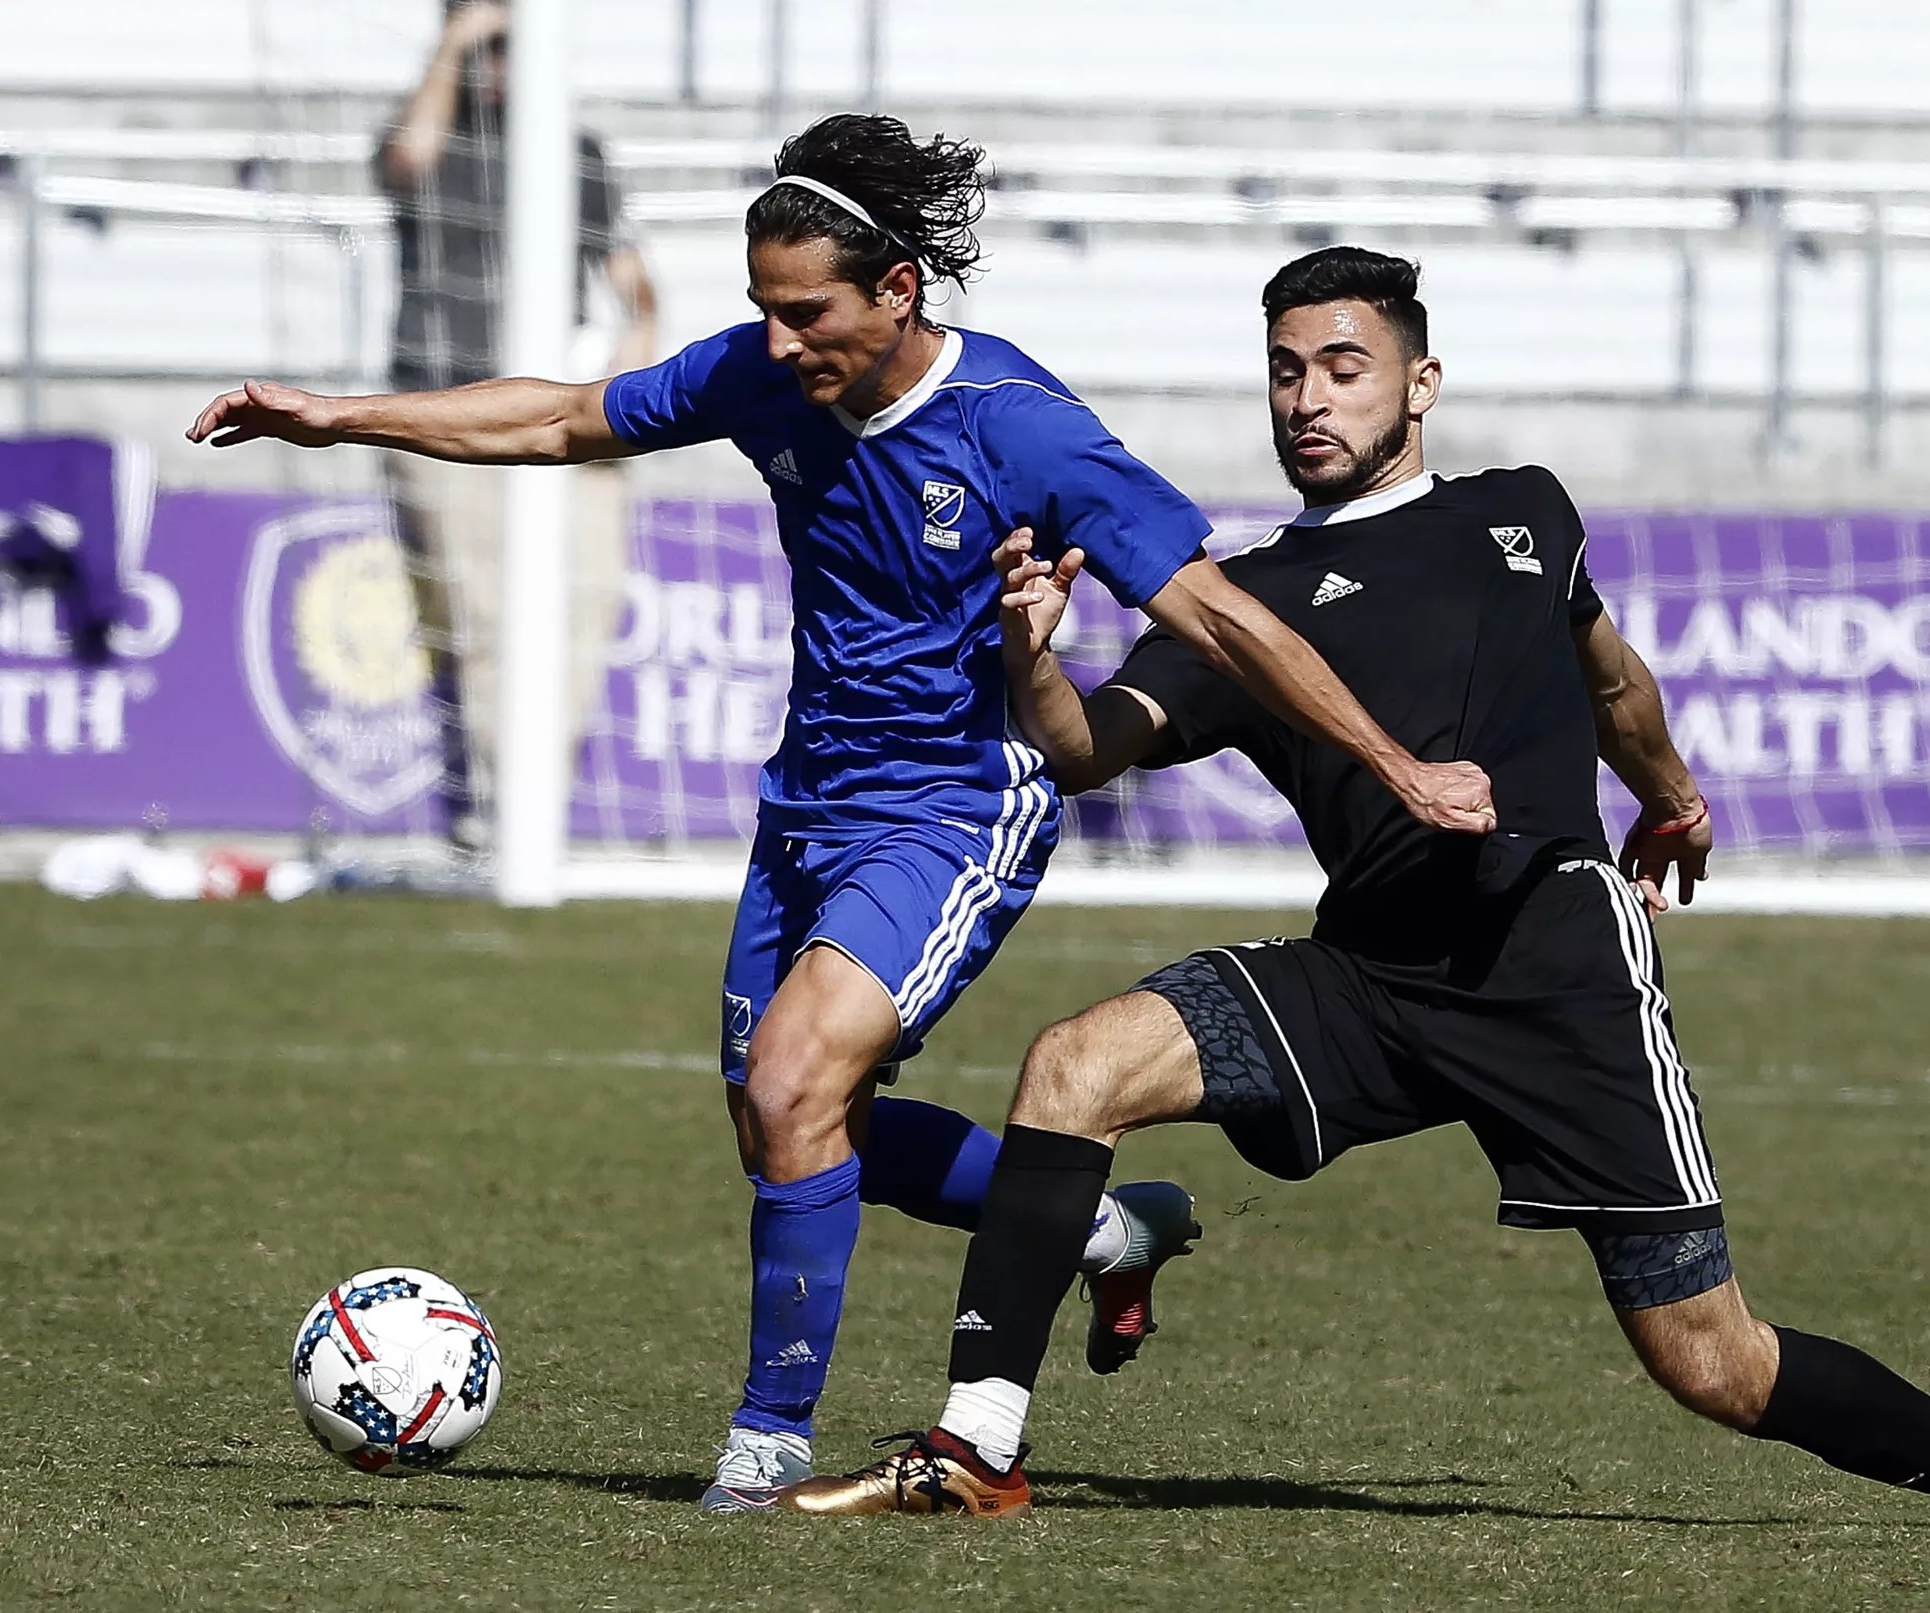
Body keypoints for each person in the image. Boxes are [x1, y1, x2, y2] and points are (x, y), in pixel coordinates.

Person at [189, 128, 1495, 1514]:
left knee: (796, 1081)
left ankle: (767, 1444)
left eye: (804, 308)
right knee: (795, 1127)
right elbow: (566, 416)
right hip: (807, 800)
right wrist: (340, 414)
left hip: (956, 803)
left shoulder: (1017, 425)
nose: (776, 335)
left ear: (899, 292)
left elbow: (1220, 615)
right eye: (763, 304)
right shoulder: (771, 374)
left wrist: (1396, 763)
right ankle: (1103, 1227)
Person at [777, 246, 1930, 1527]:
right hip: (1369, 979)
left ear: (1420, 384)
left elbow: (1614, 680)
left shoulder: (1522, 513)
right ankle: (979, 1449)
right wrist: (1031, 662)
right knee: (1075, 1063)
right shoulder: (1243, 606)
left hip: (1557, 970)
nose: (1308, 399)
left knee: (1713, 1361)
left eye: (1343, 368)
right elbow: (1080, 755)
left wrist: (1673, 795)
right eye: (1286, 372)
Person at [376, 0, 661, 850]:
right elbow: (404, 161)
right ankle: (501, 807)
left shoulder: (575, 152)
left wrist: (626, 368)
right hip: (445, 408)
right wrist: (458, 40)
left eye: (513, 46)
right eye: (488, 47)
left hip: (559, 414)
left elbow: (635, 284)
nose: (501, 64)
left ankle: (541, 792)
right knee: (480, 613)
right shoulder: (432, 134)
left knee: (588, 599)